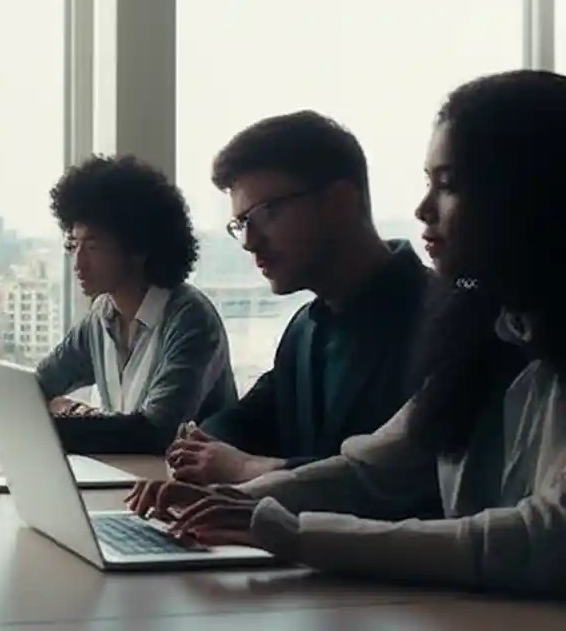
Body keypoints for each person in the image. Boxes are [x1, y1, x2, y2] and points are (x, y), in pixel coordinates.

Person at [129, 70, 566, 598]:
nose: (423, 209)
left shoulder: (436, 316)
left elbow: (545, 539)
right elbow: (371, 470)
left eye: (448, 185)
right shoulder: (485, 325)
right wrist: (239, 501)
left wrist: (288, 528)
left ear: (531, 194)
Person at [166, 111, 431, 484]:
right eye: (241, 224)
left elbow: (408, 484)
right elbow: (243, 421)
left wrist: (249, 468)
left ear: (340, 201)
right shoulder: (306, 328)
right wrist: (202, 446)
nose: (249, 242)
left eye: (266, 213)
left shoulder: (442, 319)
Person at [35, 156, 237, 454]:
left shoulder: (190, 319)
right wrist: (58, 408)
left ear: (138, 248)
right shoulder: (101, 315)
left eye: (92, 247)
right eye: (72, 245)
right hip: (127, 480)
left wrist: (47, 424)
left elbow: (157, 430)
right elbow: (39, 385)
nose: (78, 262)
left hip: (189, 491)